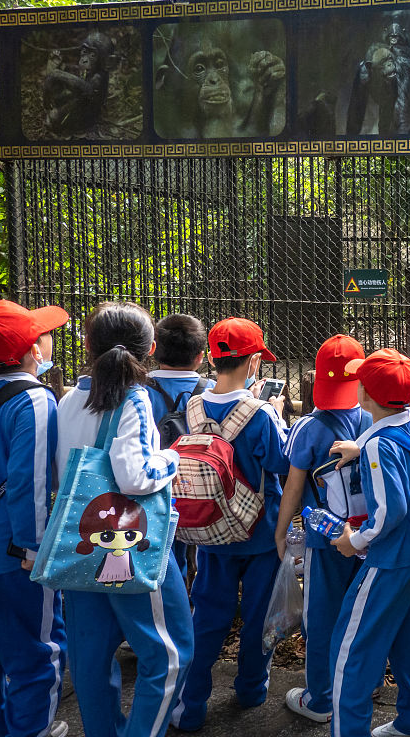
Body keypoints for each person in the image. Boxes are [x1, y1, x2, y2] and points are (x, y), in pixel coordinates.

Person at [55, 301, 194, 737]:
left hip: (81, 543)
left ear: (87, 346)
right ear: (150, 348)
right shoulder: (133, 399)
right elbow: (135, 476)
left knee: (90, 658)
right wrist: (173, 457)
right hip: (133, 543)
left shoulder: (70, 398)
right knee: (171, 654)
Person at [171, 317, 288, 732]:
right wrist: (274, 414)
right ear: (255, 362)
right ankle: (252, 689)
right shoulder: (260, 415)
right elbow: (280, 464)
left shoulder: (194, 404)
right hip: (259, 532)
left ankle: (192, 703)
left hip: (210, 531)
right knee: (258, 616)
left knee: (207, 616)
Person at [0, 300, 70, 737]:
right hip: (13, 557)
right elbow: (31, 485)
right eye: (43, 335)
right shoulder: (34, 400)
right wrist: (36, 549)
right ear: (32, 351)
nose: (49, 340)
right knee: (36, 658)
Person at [326, 348, 410, 737]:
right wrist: (362, 449)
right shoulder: (408, 422)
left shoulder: (377, 444)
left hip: (389, 560)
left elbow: (392, 511)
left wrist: (353, 540)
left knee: (350, 653)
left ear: (367, 397)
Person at [275, 335, 371, 723]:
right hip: (367, 536)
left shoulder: (308, 427)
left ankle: (320, 698)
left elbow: (294, 487)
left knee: (322, 616)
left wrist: (281, 532)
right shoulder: (374, 419)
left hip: (325, 538)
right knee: (362, 613)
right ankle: (360, 684)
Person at [145, 313, 211, 580]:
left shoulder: (139, 389)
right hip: (202, 490)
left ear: (154, 349)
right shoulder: (212, 391)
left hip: (154, 487)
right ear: (200, 355)